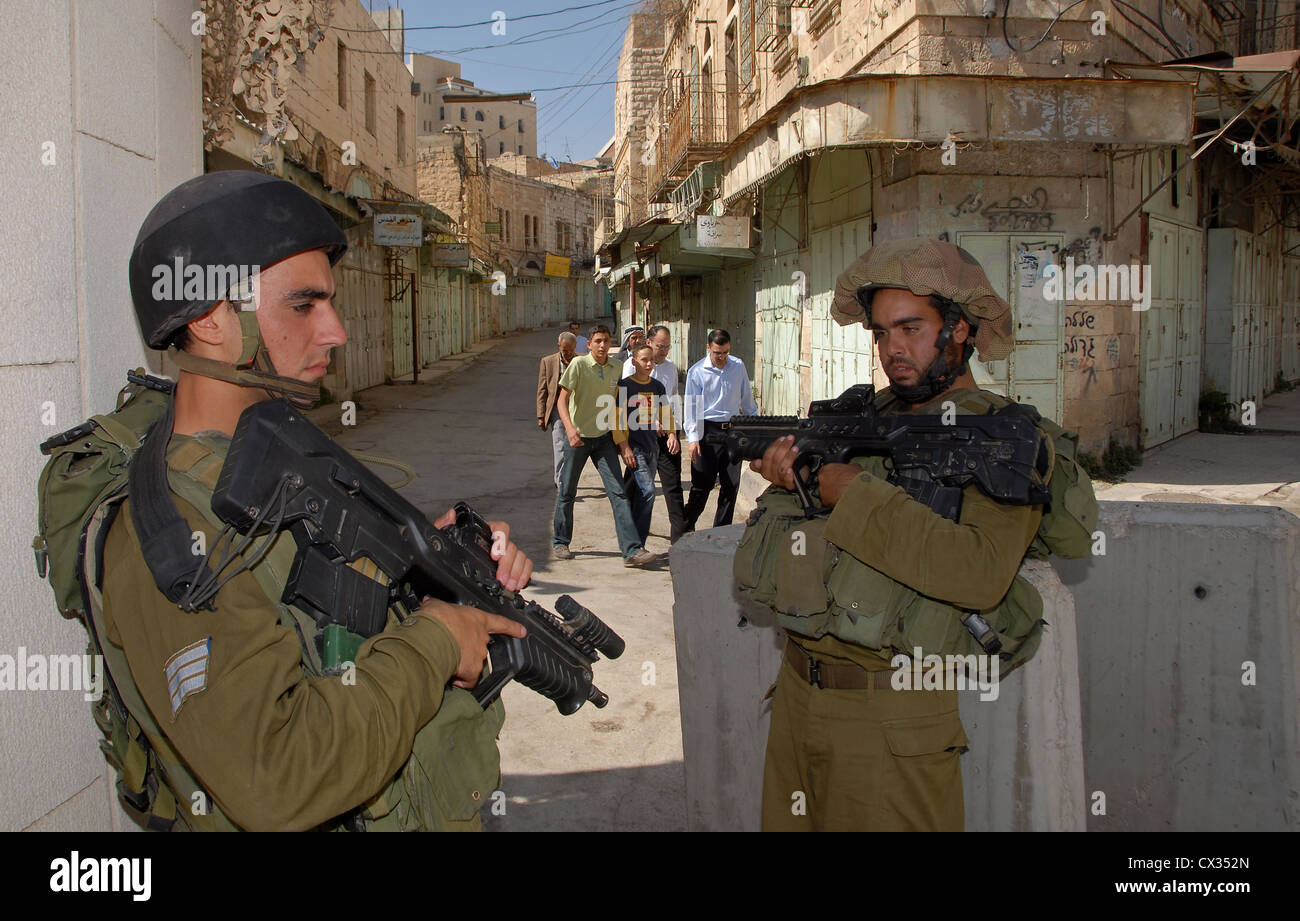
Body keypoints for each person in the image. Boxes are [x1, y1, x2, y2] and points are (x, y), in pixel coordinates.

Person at [98, 172, 532, 831]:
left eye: (328, 303)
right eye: (303, 306)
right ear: (213, 320)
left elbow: (321, 620)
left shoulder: (276, 453)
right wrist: (436, 640)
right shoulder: (175, 531)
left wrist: (432, 564)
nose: (334, 330)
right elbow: (276, 777)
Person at [744, 237, 1097, 831]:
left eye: (910, 328)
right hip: (799, 694)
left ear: (959, 330)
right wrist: (791, 478)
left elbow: (979, 571)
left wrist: (847, 490)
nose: (892, 349)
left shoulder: (999, 437)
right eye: (881, 333)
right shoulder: (864, 418)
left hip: (892, 716)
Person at [552, 324, 658, 567]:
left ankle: (631, 551)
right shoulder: (578, 365)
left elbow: (617, 405)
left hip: (603, 440)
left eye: (606, 341)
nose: (602, 345)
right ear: (589, 344)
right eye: (597, 341)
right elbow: (562, 400)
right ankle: (561, 540)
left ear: (611, 344)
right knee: (567, 491)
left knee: (618, 493)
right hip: (578, 439)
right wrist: (569, 430)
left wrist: (622, 444)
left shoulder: (616, 368)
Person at [682, 328, 757, 532]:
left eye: (725, 352)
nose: (722, 357)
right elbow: (691, 409)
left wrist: (752, 429)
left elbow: (747, 401)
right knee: (701, 487)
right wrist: (693, 439)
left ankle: (721, 532)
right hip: (707, 431)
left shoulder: (738, 366)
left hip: (733, 431)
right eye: (717, 353)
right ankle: (685, 529)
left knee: (730, 486)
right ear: (709, 348)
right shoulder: (697, 372)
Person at [624, 324, 687, 542]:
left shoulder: (670, 368)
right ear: (648, 343)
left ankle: (679, 539)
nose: (664, 351)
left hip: (665, 436)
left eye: (668, 347)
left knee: (673, 487)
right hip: (640, 437)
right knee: (635, 488)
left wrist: (674, 433)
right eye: (660, 346)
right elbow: (630, 400)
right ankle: (632, 536)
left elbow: (673, 401)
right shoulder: (631, 366)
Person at [614, 344, 676, 544]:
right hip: (635, 448)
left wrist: (672, 434)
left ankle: (630, 535)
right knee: (648, 491)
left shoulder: (657, 386)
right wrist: (624, 446)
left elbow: (666, 412)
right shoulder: (624, 386)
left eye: (651, 360)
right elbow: (615, 419)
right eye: (643, 360)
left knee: (637, 493)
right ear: (634, 362)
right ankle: (637, 543)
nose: (649, 364)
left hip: (653, 449)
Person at [537, 331, 577, 489]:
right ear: (558, 346)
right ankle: (561, 483)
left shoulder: (581, 360)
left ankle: (569, 478)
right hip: (556, 409)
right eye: (565, 350)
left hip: (576, 408)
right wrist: (541, 415)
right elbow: (542, 390)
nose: (568, 353)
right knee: (559, 444)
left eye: (571, 350)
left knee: (575, 446)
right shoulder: (548, 362)